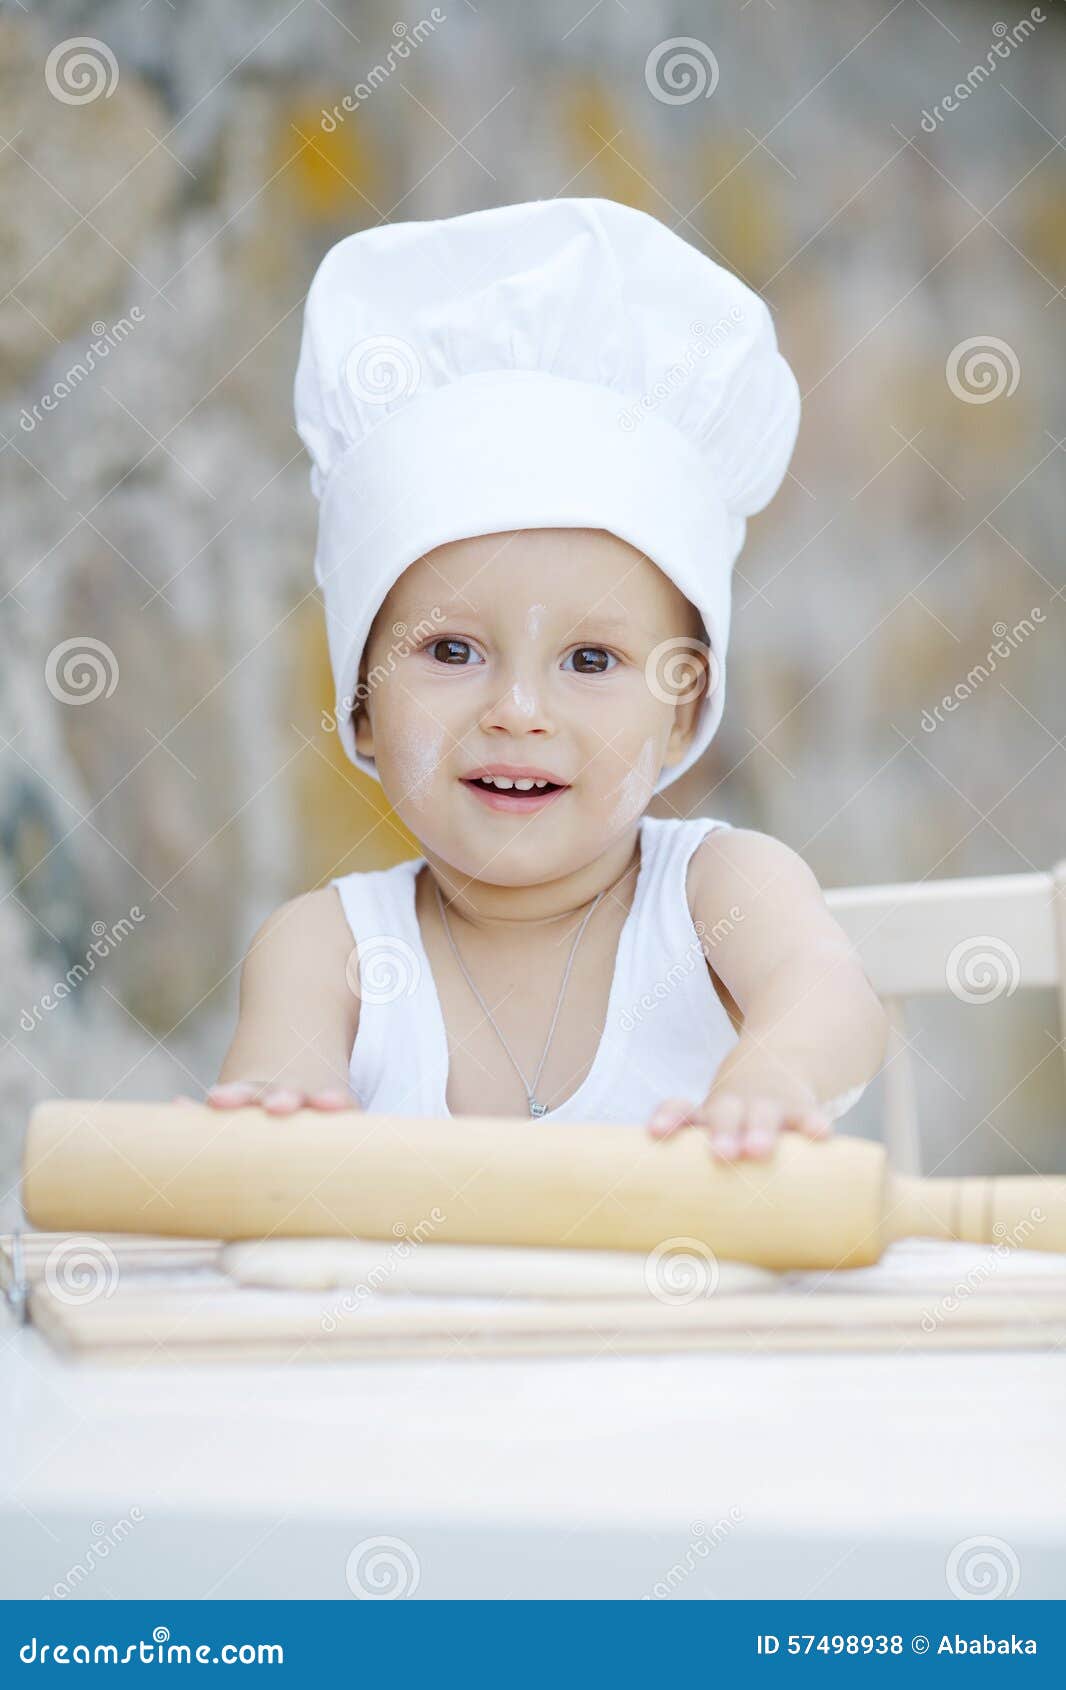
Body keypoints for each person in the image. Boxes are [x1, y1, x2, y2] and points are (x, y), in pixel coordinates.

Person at [192, 199, 887, 1162]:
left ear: (683, 714)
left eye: (591, 660)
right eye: (451, 651)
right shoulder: (329, 951)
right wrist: (283, 1120)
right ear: (360, 701)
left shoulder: (715, 895)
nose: (517, 712)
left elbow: (831, 999)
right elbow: (273, 1123)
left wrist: (776, 1074)